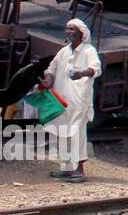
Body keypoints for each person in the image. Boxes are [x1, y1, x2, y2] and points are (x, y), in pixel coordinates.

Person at [43, 18, 101, 183]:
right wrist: (48, 80)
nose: (68, 32)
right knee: (62, 133)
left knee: (77, 134)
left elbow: (96, 68)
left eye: (72, 29)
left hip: (79, 101)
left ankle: (79, 170)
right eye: (67, 29)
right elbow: (51, 68)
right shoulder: (63, 52)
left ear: (81, 33)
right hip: (62, 100)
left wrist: (81, 73)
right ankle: (66, 167)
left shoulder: (89, 50)